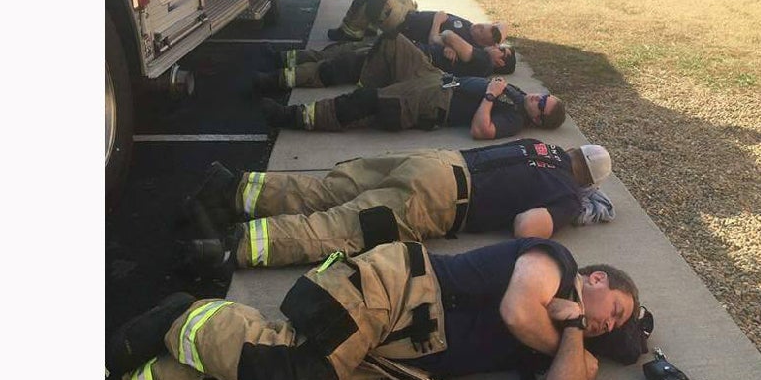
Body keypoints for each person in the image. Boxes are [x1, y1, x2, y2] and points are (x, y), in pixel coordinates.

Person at [107, 238, 648, 380]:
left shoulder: (566, 337)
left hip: (400, 357)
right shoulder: (557, 262)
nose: (605, 323)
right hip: (396, 293)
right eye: (614, 311)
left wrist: (575, 331)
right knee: (293, 373)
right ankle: (181, 314)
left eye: (612, 328)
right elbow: (515, 310)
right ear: (597, 278)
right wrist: (566, 321)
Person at [181, 138, 613, 269]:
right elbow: (526, 228)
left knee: (330, 190)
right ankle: (228, 246)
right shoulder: (566, 192)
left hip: (433, 160)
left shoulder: (541, 147)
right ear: (588, 183)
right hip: (440, 200)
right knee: (341, 228)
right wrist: (566, 216)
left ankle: (233, 188)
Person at [260, 34, 564, 139]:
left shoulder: (514, 121)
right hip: (435, 76)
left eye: (541, 104)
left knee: (364, 103)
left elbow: (481, 131)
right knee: (392, 41)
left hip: (432, 103)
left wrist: (489, 95)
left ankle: (291, 116)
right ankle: (363, 81)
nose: (538, 97)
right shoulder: (522, 97)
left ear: (537, 119)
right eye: (544, 96)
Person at [255, 29, 516, 90]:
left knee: (347, 65)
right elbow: (441, 38)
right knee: (344, 50)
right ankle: (282, 59)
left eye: (500, 48)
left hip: (413, 59)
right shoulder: (476, 56)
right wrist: (449, 45)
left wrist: (451, 43)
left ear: (501, 61)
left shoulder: (482, 62)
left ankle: (275, 79)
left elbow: (446, 34)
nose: (495, 46)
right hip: (416, 50)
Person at [326, 0, 507, 47]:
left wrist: (437, 20)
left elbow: (434, 42)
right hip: (412, 14)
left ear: (484, 42)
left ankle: (350, 32)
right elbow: (502, 28)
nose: (479, 26)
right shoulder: (471, 28)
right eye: (484, 24)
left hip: (404, 25)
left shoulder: (463, 42)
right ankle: (370, 26)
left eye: (482, 31)